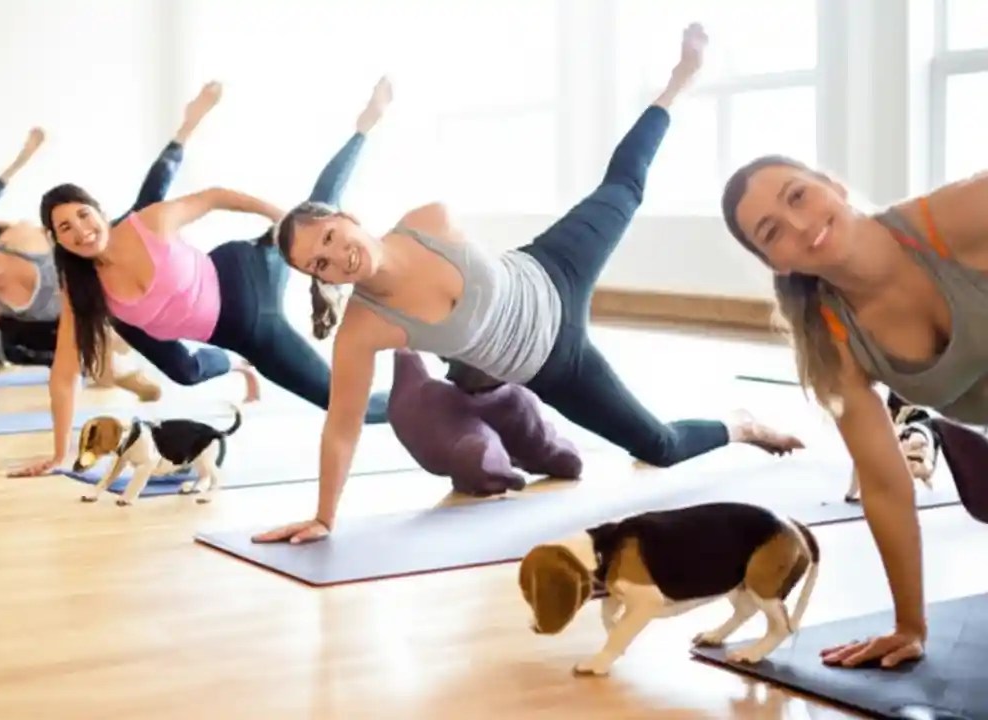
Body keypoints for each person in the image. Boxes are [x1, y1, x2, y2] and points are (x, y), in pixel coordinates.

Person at [256, 24, 804, 546]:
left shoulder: (428, 218)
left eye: (328, 237)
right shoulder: (363, 330)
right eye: (318, 265)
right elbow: (342, 429)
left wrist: (370, 118)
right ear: (318, 280)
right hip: (554, 366)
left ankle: (680, 80)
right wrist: (325, 517)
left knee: (625, 188)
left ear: (346, 218)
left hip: (553, 268)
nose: (335, 257)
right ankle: (742, 424)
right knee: (658, 446)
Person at [7, 78, 396, 479]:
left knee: (319, 219)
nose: (81, 231)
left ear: (99, 210)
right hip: (246, 335)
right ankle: (432, 399)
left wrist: (278, 215)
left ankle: (364, 127)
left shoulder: (148, 222)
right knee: (354, 408)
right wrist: (58, 453)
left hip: (241, 272)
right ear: (57, 240)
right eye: (65, 227)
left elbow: (212, 197)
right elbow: (64, 373)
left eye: (83, 215)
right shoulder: (82, 292)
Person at [717, 133, 988, 668]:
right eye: (772, 231)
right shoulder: (831, 338)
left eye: (798, 196)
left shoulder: (958, 215)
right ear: (776, 263)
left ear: (833, 187)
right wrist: (910, 625)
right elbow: (885, 484)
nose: (798, 225)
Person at [0, 91, 227, 425]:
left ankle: (186, 127)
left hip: (103, 258)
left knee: (150, 197)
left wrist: (23, 159)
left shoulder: (19, 237)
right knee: (115, 361)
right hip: (95, 309)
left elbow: (57, 229)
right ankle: (128, 374)